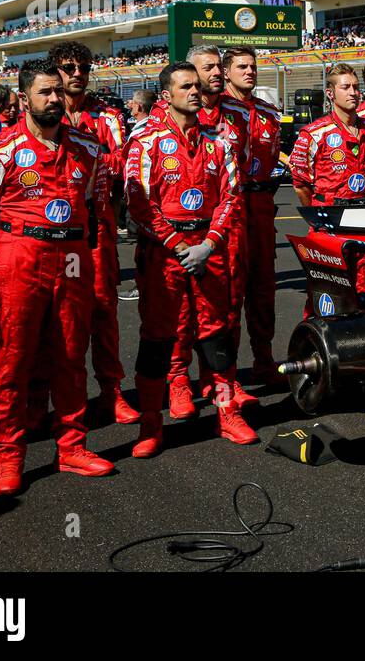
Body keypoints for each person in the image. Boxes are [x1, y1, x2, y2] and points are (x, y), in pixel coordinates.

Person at [0, 59, 116, 497]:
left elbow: (97, 204)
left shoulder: (89, 148)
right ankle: (9, 457)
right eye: (44, 92)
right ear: (24, 96)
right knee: (13, 358)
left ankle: (72, 446)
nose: (54, 99)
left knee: (70, 352)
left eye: (58, 92)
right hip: (19, 256)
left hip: (71, 255)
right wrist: (8, 256)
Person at [124, 62, 253, 458]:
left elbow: (232, 194)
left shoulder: (221, 136)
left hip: (208, 248)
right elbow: (138, 203)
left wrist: (210, 244)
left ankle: (227, 413)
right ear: (166, 95)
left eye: (197, 86)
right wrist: (180, 245)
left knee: (217, 332)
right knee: (160, 337)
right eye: (186, 87)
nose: (195, 92)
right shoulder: (145, 138)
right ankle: (151, 425)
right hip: (164, 253)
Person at [48, 41, 135, 425]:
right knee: (53, 317)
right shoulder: (39, 112)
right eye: (68, 67)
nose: (78, 72)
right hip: (49, 235)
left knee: (103, 311)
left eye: (84, 65)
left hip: (96, 230)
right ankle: (49, 399)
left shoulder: (108, 117)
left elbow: (116, 164)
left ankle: (112, 392)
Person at [219, 47, 286, 388]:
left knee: (263, 289)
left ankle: (264, 359)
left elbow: (274, 158)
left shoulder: (268, 112)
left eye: (253, 66)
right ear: (226, 72)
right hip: (230, 206)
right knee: (229, 291)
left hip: (261, 203)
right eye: (241, 66)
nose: (249, 71)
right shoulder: (213, 108)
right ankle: (222, 375)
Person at [290, 64, 365, 291]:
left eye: (355, 87)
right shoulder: (314, 133)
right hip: (330, 224)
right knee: (328, 293)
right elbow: (301, 184)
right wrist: (319, 217)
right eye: (346, 87)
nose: (353, 92)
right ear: (331, 93)